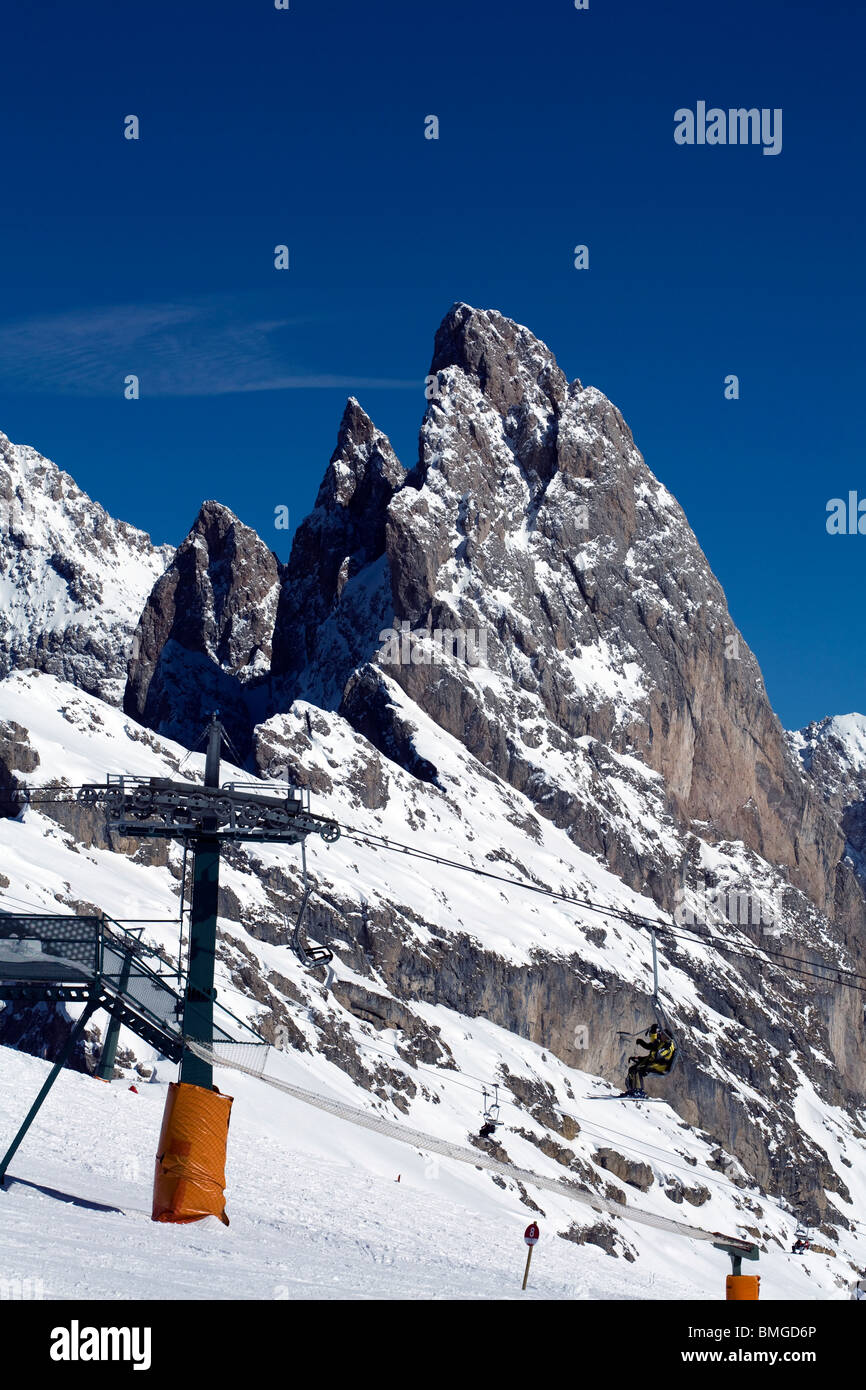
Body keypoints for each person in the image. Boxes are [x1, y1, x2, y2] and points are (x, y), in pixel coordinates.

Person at [625, 1025, 676, 1097]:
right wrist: (639, 1058)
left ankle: (638, 1091)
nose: (660, 1035)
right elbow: (652, 1048)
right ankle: (631, 1090)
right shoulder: (662, 1043)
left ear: (667, 1037)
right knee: (632, 1069)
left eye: (662, 1034)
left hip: (661, 1066)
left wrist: (654, 1040)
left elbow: (656, 1055)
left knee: (638, 1070)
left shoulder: (668, 1047)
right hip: (654, 1063)